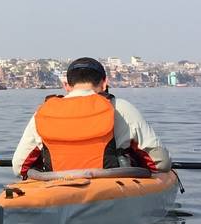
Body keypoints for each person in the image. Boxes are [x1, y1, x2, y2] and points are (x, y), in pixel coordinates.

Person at [11, 57, 171, 177]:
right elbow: (160, 163)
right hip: (110, 189)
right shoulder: (121, 108)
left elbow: (19, 166)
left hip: (56, 187)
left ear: (66, 85)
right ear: (104, 83)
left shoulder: (43, 111)